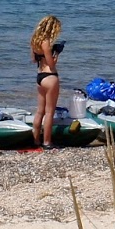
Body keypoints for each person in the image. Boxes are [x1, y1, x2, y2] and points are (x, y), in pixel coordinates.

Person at [30, 15, 64, 149]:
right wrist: (57, 54)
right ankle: (47, 142)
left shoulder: (34, 41)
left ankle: (36, 140)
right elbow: (51, 63)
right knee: (50, 111)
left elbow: (34, 60)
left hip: (40, 76)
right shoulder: (46, 43)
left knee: (40, 111)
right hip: (50, 76)